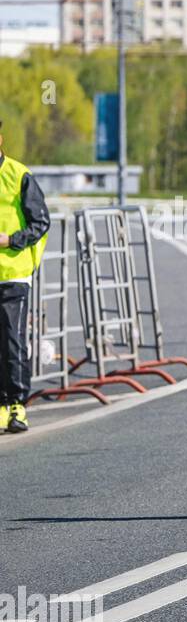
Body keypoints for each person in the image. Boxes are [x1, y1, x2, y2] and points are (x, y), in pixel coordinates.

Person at [0, 119, 51, 435]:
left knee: (12, 343)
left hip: (13, 276)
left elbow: (41, 222)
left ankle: (17, 406)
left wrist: (10, 240)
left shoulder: (19, 176)